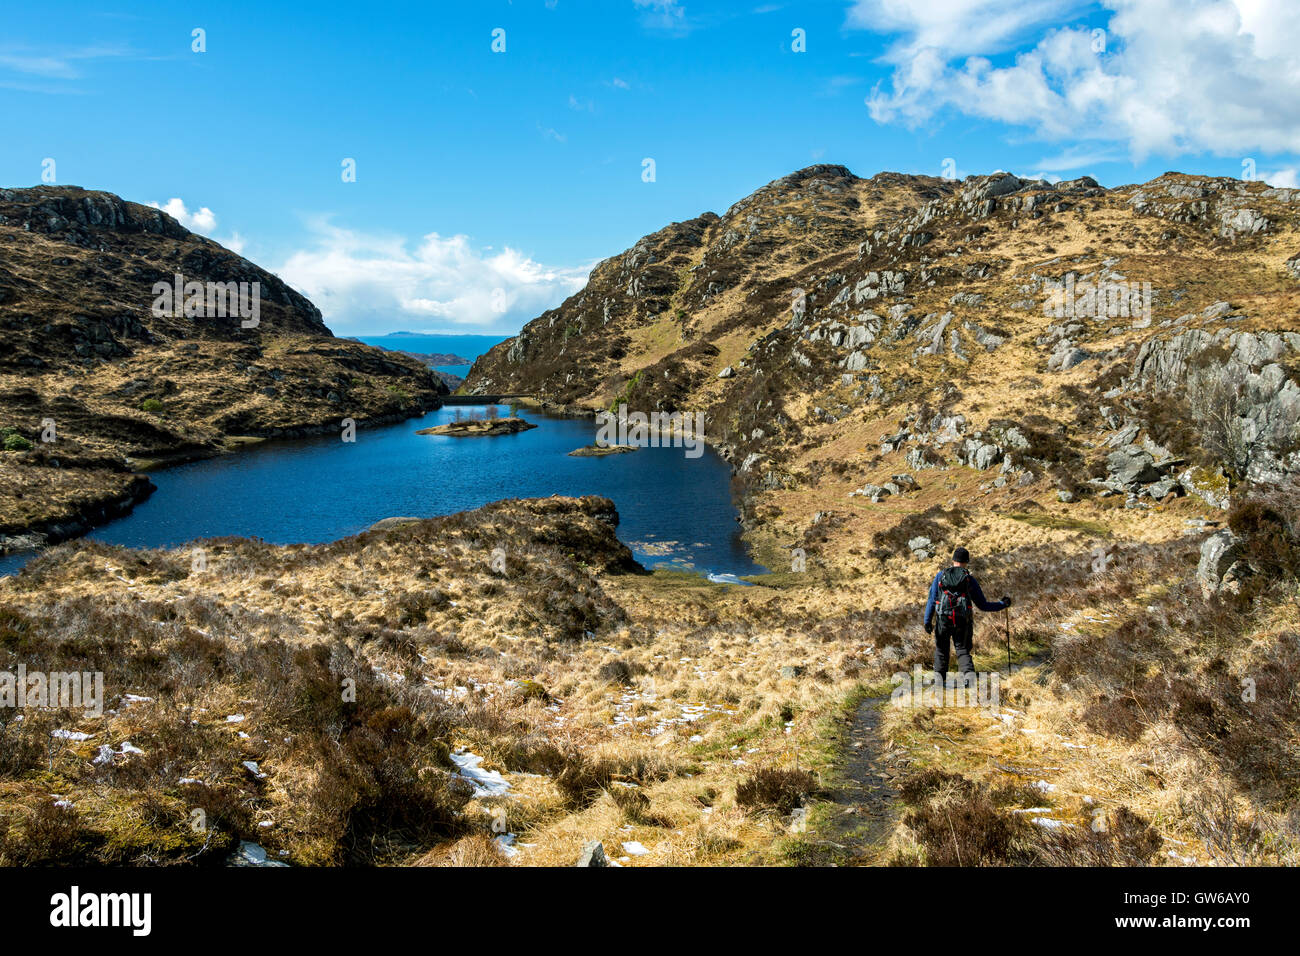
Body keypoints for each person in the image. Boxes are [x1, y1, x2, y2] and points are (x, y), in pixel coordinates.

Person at [923, 547, 1011, 683]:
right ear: (966, 562)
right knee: (962, 650)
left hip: (943, 620)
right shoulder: (969, 579)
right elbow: (983, 605)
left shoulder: (940, 576)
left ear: (953, 560)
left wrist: (927, 621)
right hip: (963, 621)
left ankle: (939, 684)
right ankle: (970, 683)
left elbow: (931, 600)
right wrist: (1002, 604)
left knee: (941, 650)